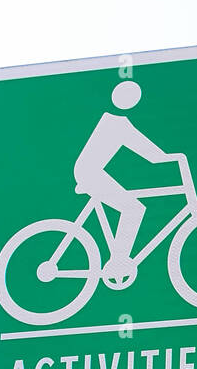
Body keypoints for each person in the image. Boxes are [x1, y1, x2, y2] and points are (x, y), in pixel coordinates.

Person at [73, 80, 181, 280]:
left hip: (89, 171)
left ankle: (118, 260)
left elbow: (144, 148)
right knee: (133, 209)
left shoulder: (114, 120)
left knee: (131, 205)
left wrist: (166, 158)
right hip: (89, 173)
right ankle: (118, 263)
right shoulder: (117, 123)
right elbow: (148, 151)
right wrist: (174, 158)